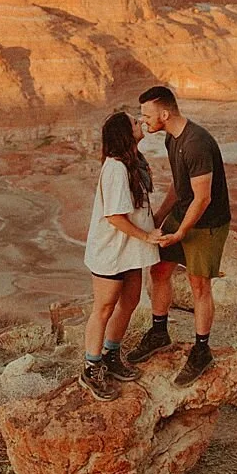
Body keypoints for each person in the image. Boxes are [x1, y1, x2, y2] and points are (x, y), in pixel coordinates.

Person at [124, 85, 231, 386]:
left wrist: (181, 232)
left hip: (206, 223)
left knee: (199, 286)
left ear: (165, 113)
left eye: (147, 115)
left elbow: (203, 198)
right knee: (159, 270)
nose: (143, 121)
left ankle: (201, 351)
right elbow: (179, 186)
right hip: (182, 215)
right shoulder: (173, 138)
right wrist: (160, 219)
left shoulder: (196, 143)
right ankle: (159, 332)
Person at [79, 111, 163, 401]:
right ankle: (91, 367)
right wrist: (147, 236)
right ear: (124, 134)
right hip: (111, 252)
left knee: (129, 302)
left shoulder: (135, 162)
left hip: (130, 252)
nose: (140, 124)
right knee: (103, 308)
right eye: (134, 124)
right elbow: (115, 216)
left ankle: (111, 354)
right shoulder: (115, 168)